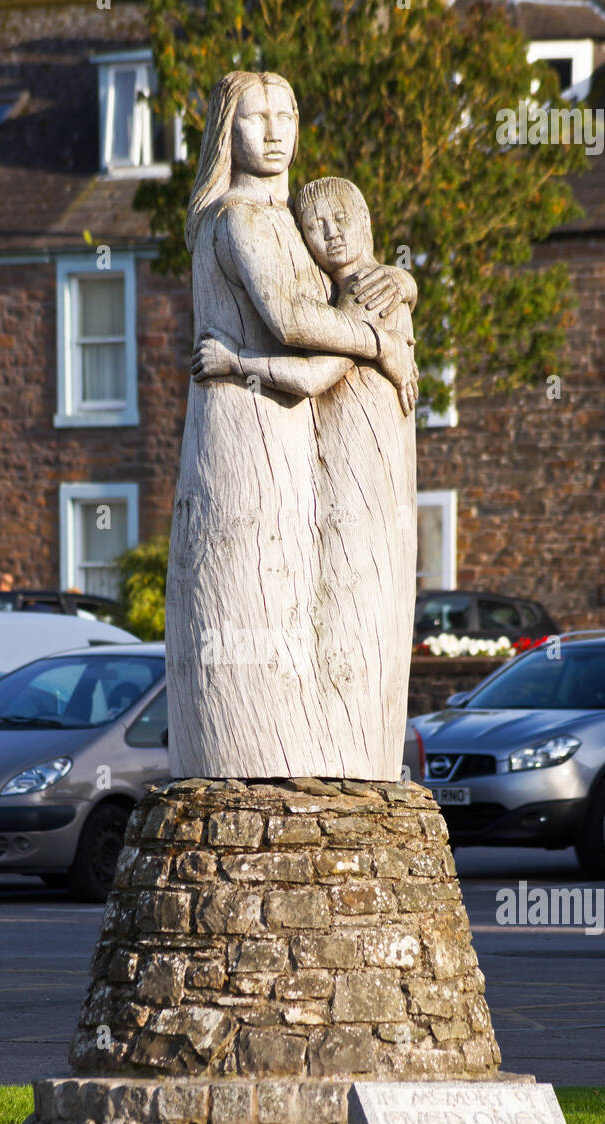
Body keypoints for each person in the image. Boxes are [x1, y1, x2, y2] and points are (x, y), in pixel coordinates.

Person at [165, 71, 417, 780]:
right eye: (254, 118)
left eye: (286, 115)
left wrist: (401, 282)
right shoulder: (240, 217)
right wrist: (378, 341)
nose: (274, 132)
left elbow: (347, 275)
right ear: (225, 132)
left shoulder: (286, 222)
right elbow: (291, 321)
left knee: (300, 596)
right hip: (246, 431)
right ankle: (246, 768)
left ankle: (314, 758)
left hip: (287, 428)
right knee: (252, 581)